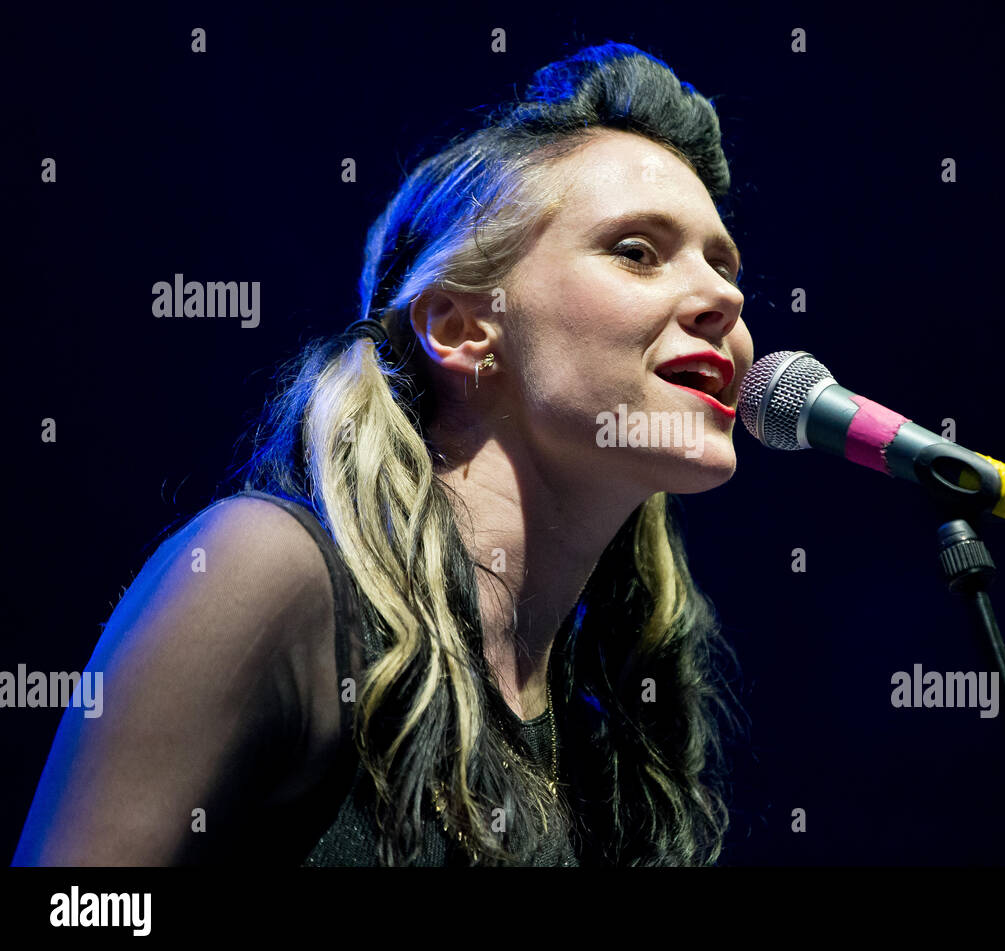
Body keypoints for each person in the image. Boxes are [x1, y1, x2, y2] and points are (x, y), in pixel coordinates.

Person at [12, 41, 752, 867]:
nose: (724, 295)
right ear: (462, 329)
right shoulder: (269, 573)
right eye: (637, 252)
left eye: (723, 264)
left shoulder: (600, 724)